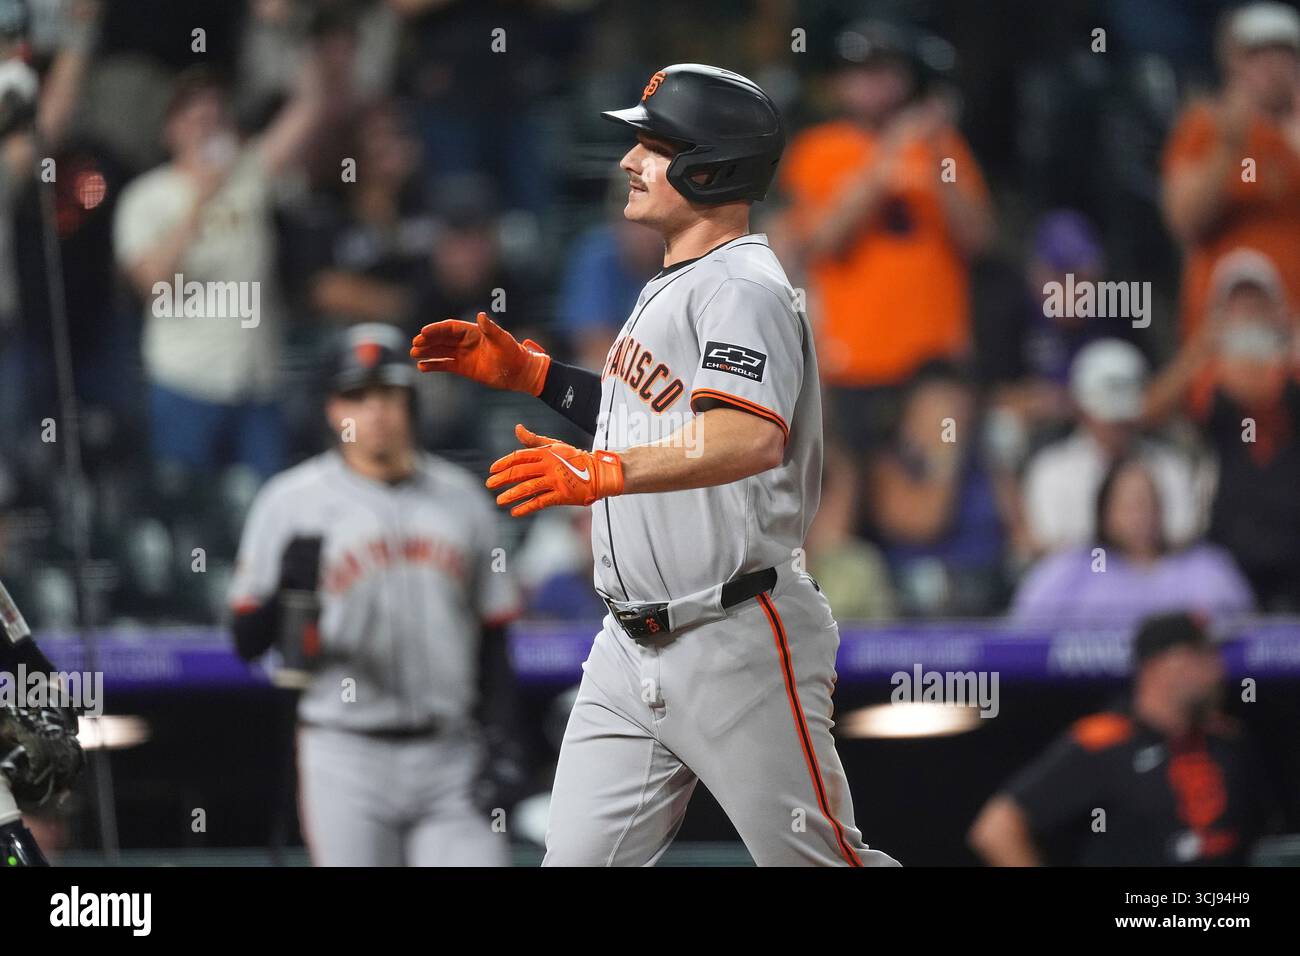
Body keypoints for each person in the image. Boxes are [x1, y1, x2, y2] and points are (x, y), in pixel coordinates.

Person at [411, 64, 899, 867]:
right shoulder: (677, 279)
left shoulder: (743, 286)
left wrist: (604, 474)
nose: (630, 161)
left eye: (655, 144)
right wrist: (534, 377)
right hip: (627, 644)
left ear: (712, 167)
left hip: (734, 632)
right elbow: (648, 414)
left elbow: (749, 438)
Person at [228, 324, 523, 866]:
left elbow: (494, 631)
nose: (376, 412)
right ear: (330, 409)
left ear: (411, 402)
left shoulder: (461, 499)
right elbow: (247, 643)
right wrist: (289, 593)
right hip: (344, 753)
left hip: (450, 755)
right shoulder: (289, 503)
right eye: (356, 396)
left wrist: (504, 737)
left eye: (388, 394)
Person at [113, 54, 332, 480]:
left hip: (257, 382)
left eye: (216, 118)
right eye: (195, 120)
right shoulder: (146, 196)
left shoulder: (248, 174)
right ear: (169, 130)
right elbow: (152, 283)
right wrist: (201, 199)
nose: (207, 128)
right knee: (189, 511)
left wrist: (296, 36)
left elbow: (311, 109)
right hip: (185, 381)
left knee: (269, 504)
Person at [781, 19, 994, 452]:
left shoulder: (941, 145)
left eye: (884, 70)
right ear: (839, 82)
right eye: (860, 71)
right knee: (847, 501)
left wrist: (933, 153)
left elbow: (979, 240)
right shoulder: (819, 148)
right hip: (852, 358)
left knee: (924, 508)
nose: (873, 83)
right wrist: (890, 153)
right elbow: (824, 240)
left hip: (933, 356)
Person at [969, 612, 1275, 866]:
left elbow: (1265, 838)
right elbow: (997, 829)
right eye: (1203, 657)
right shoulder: (1104, 740)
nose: (1217, 670)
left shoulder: (1229, 740)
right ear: (1163, 666)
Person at [1144, 248, 1300, 609]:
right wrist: (1202, 347)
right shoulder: (1206, 374)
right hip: (1232, 537)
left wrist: (1290, 339)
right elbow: (1149, 411)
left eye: (1257, 303)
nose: (1248, 314)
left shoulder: (1292, 364)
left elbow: (1261, 389)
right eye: (1237, 305)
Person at [1161, 2, 1300, 339]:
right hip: (1225, 336)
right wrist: (1228, 149)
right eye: (1256, 54)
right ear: (1233, 63)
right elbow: (1184, 221)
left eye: (1281, 53)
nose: (1270, 66)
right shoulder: (1206, 126)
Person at [1011, 456, 1254, 625]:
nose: (1141, 515)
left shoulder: (1202, 566)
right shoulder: (1073, 568)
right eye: (1129, 504)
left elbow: (1243, 628)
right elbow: (1025, 629)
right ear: (1104, 511)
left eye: (1148, 503)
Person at [1021, 338, 1203, 554]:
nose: (1116, 425)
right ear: (1081, 408)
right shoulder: (1051, 471)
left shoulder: (1171, 467)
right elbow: (1049, 550)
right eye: (1106, 415)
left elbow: (1181, 540)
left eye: (1123, 415)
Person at [868, 361, 1008, 616]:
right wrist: (943, 459)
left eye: (956, 405)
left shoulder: (983, 463)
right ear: (910, 414)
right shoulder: (890, 464)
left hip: (987, 589)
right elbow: (926, 525)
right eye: (938, 406)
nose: (950, 417)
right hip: (917, 597)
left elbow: (1018, 530)